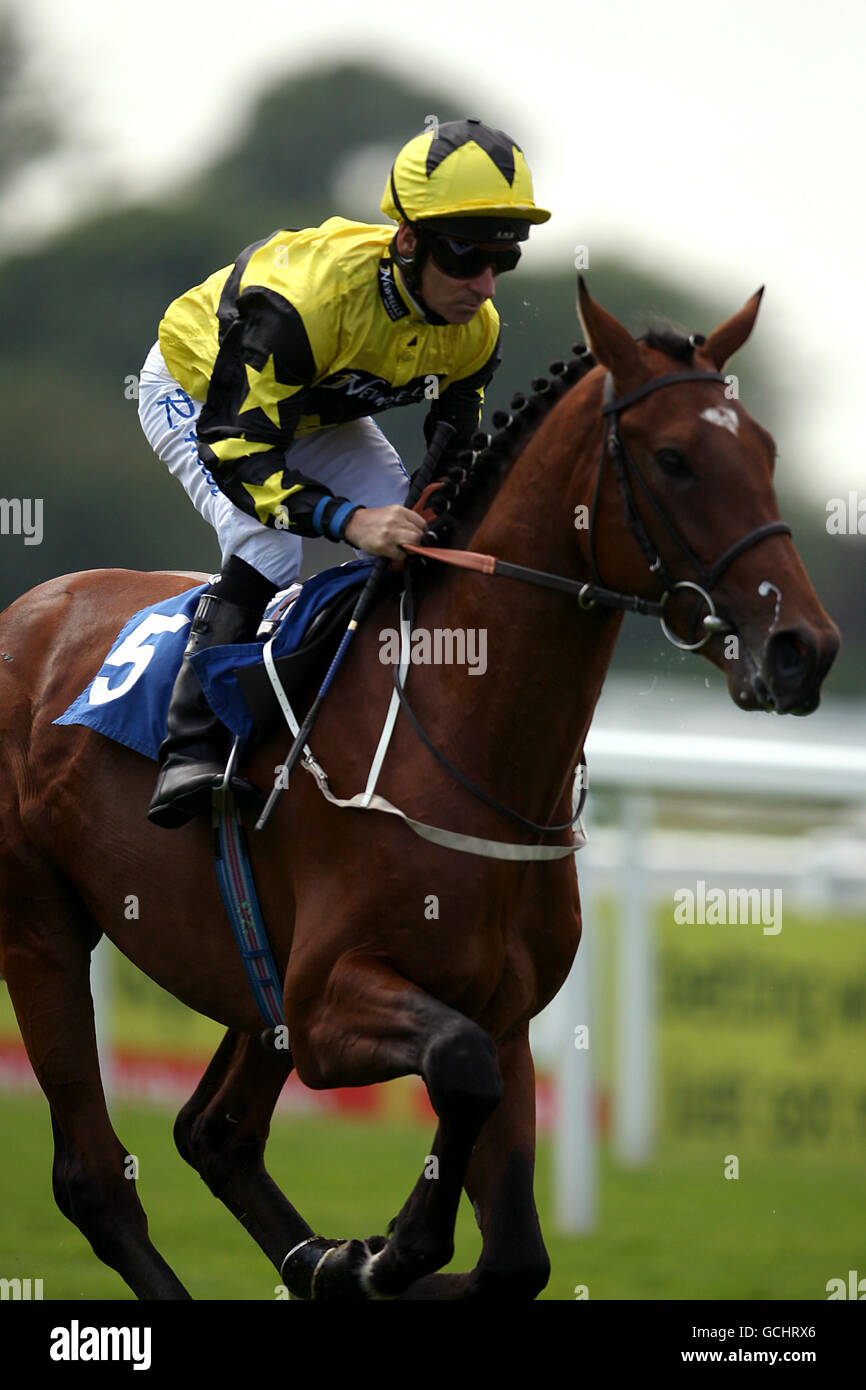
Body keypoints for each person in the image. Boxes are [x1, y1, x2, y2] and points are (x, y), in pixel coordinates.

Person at [138, 117, 550, 828]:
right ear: (408, 239)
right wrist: (348, 521)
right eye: (465, 257)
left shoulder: (474, 328)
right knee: (271, 546)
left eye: (503, 260)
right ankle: (191, 747)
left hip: (311, 406)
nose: (483, 285)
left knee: (412, 532)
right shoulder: (304, 303)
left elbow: (452, 446)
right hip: (205, 394)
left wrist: (421, 510)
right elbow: (240, 449)